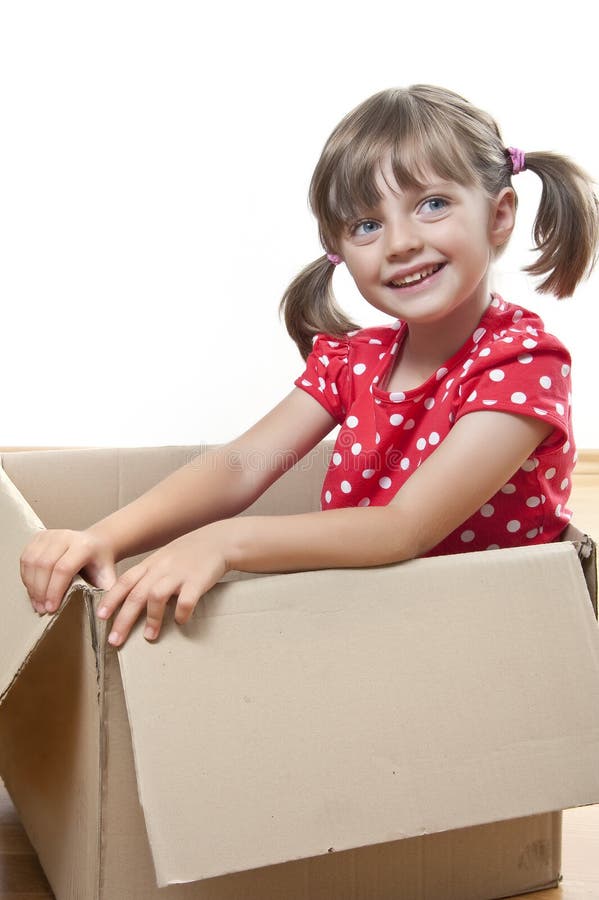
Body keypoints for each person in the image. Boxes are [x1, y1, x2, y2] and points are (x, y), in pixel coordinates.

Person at [20, 84, 599, 648]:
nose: (399, 243)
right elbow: (241, 466)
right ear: (339, 250)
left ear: (499, 215)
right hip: (363, 622)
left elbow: (404, 528)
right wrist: (104, 537)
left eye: (433, 204)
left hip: (484, 633)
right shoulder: (355, 360)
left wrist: (225, 543)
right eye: (367, 225)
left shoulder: (522, 363)